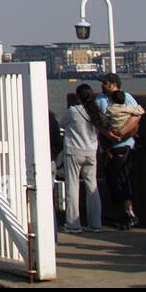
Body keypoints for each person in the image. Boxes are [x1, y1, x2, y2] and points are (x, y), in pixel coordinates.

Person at [97, 73, 143, 229]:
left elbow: (137, 116)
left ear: (113, 84)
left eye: (104, 83)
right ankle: (123, 214)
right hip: (107, 147)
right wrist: (107, 135)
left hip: (125, 146)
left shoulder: (127, 97)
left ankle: (130, 214)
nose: (102, 85)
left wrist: (122, 133)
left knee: (123, 179)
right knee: (113, 181)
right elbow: (98, 122)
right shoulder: (99, 100)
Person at [61, 84, 104, 232]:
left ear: (78, 96)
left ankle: (73, 224)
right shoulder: (96, 112)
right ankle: (95, 224)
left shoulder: (73, 111)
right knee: (92, 187)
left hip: (74, 151)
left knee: (72, 187)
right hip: (91, 152)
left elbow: (61, 123)